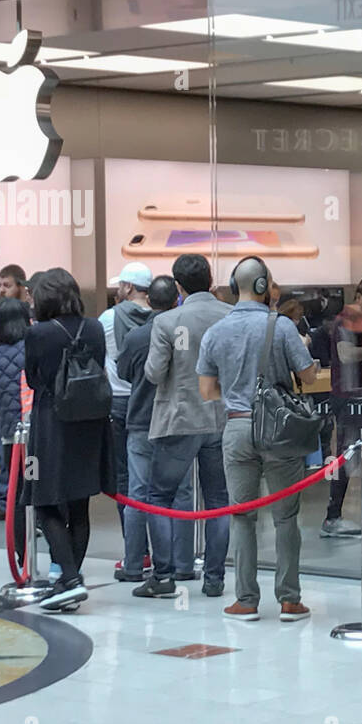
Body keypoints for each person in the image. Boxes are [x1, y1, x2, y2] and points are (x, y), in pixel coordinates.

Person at [199, 256, 319, 623]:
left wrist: (239, 394)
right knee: (286, 516)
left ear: (236, 288)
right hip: (279, 428)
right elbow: (309, 377)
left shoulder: (215, 332)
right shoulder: (281, 326)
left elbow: (207, 390)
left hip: (236, 427)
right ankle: (289, 599)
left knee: (241, 515)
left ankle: (246, 600)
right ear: (265, 286)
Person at [25, 269, 115, 609]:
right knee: (79, 503)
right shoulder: (94, 327)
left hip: (51, 422)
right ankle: (68, 580)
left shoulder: (39, 334)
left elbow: (34, 380)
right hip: (90, 422)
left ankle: (71, 579)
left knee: (44, 499)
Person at [145, 253, 233, 597]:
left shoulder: (167, 322)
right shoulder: (230, 317)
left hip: (179, 418)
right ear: (211, 282)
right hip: (222, 417)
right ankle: (215, 579)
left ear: (178, 286)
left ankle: (164, 576)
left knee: (159, 497)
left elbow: (154, 372)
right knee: (219, 502)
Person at [116, 276, 191, 598]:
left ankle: (134, 564)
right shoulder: (182, 333)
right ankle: (183, 563)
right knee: (181, 493)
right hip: (177, 422)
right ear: (176, 300)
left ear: (149, 301)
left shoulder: (135, 336)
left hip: (142, 421)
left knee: (138, 495)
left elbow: (122, 373)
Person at [100, 262, 154, 560]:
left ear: (128, 288)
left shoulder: (107, 319)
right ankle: (164, 552)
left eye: (119, 285)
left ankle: (136, 552)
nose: (116, 289)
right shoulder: (161, 318)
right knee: (158, 480)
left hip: (119, 403)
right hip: (154, 402)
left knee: (125, 478)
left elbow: (98, 358)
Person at [322, 274, 362, 538]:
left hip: (360, 396)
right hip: (350, 398)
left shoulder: (361, 321)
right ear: (361, 296)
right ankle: (333, 515)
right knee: (347, 456)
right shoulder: (348, 319)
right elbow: (347, 355)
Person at [0, 297, 31, 551]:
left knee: (17, 489)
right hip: (37, 433)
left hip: (11, 434)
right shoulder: (34, 348)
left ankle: (20, 551)